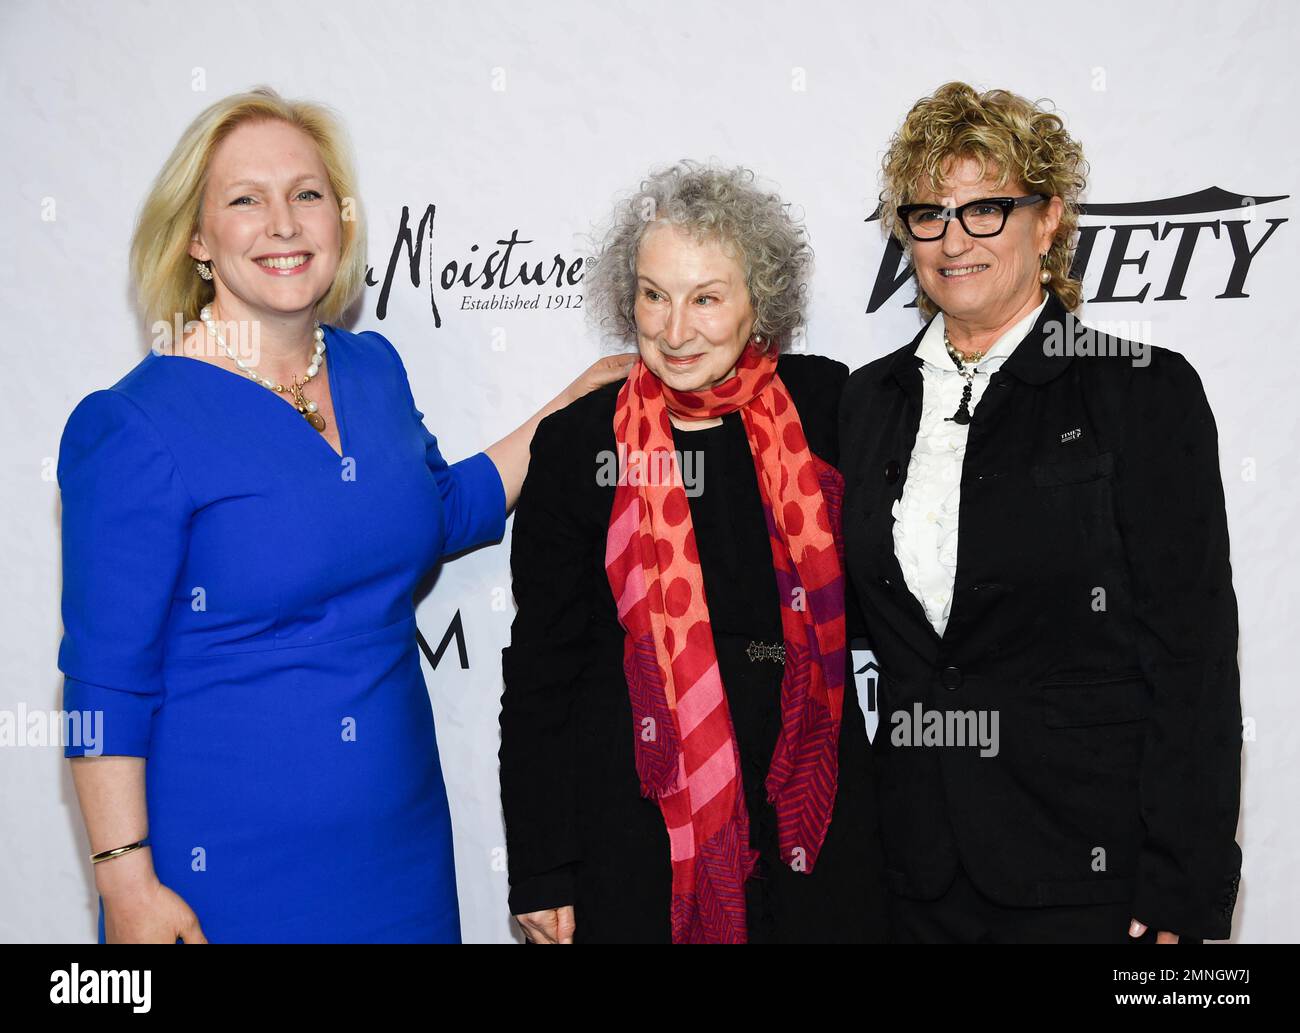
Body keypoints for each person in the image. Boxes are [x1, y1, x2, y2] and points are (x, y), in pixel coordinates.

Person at [58, 86, 631, 944]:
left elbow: (437, 511)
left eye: (308, 194)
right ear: (197, 238)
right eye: (245, 199)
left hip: (399, 853)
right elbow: (103, 681)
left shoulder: (371, 369)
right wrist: (127, 881)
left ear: (342, 219)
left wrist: (569, 410)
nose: (283, 222)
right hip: (222, 873)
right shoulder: (134, 424)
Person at [840, 82, 1242, 943]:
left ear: (1049, 217)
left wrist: (1184, 882)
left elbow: (1195, 657)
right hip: (908, 873)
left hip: (1091, 875)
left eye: (986, 209)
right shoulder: (863, 404)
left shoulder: (1140, 392)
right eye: (928, 214)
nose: (954, 239)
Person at [499, 161, 887, 943]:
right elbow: (543, 671)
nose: (675, 331)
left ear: (759, 301)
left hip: (814, 819)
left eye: (706, 298)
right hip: (638, 833)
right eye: (654, 295)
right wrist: (542, 868)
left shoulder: (828, 407)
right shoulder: (579, 446)